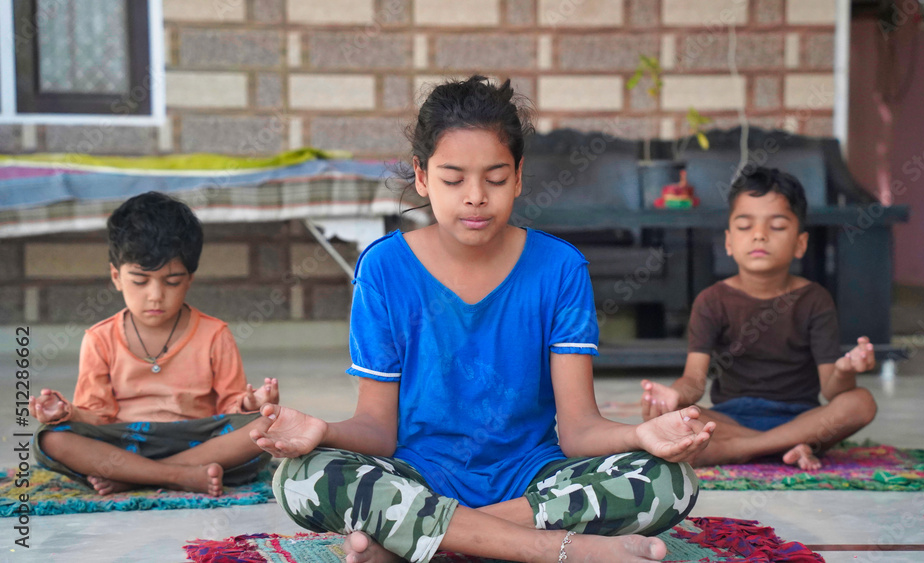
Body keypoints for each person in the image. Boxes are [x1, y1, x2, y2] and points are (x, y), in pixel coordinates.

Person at [250, 75, 716, 563]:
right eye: (453, 179)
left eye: (495, 179)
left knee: (670, 480)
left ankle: (423, 540)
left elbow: (578, 431)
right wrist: (320, 431)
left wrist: (638, 436)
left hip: (529, 479)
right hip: (420, 477)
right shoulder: (384, 269)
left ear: (517, 176)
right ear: (422, 176)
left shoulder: (559, 268)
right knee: (301, 477)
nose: (475, 196)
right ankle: (560, 549)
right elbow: (376, 429)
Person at [28, 192, 279, 497]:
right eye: (140, 281)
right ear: (116, 276)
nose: (156, 295)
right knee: (50, 438)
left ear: (189, 279)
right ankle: (178, 475)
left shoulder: (215, 334)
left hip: (196, 438)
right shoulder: (99, 338)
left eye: (172, 281)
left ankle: (135, 477)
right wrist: (67, 412)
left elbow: (230, 408)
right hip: (124, 440)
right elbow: (98, 416)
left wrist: (250, 404)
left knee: (264, 426)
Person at [641, 167, 878, 470]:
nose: (759, 235)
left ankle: (741, 450)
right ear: (728, 241)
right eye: (744, 226)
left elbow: (832, 391)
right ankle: (785, 448)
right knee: (674, 418)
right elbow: (694, 380)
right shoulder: (711, 301)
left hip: (802, 418)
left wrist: (845, 370)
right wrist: (674, 395)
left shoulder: (814, 299)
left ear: (800, 244)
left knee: (860, 402)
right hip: (730, 417)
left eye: (777, 226)